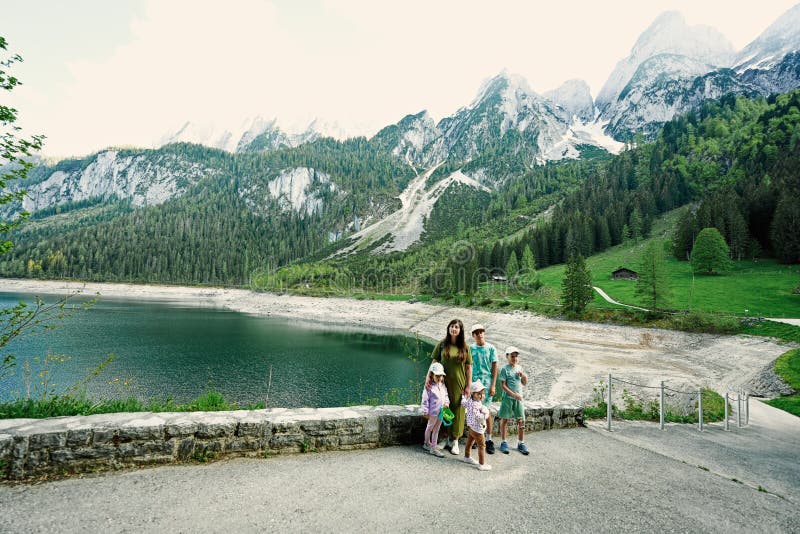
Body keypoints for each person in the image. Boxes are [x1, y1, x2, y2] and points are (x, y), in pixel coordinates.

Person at [430, 318, 472, 455]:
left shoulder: (465, 347)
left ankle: (455, 441)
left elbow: (468, 368)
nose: (454, 329)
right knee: (443, 409)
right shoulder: (442, 344)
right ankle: (444, 438)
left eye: (457, 327)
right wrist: (428, 378)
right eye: (452, 326)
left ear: (460, 331)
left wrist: (468, 386)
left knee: (458, 410)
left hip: (459, 384)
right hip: (442, 383)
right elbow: (434, 362)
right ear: (449, 328)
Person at [469, 323, 498, 454]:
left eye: (481, 332)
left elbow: (494, 367)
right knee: (474, 410)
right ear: (473, 335)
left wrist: (493, 385)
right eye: (477, 332)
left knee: (486, 412)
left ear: (484, 333)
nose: (480, 334)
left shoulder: (491, 348)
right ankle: (475, 437)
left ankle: (489, 439)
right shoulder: (471, 349)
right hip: (475, 384)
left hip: (486, 383)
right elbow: (467, 367)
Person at [498, 346, 530, 455]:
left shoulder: (519, 368)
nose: (515, 358)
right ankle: (503, 442)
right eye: (512, 356)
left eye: (516, 356)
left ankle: (521, 443)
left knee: (521, 420)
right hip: (507, 398)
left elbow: (524, 383)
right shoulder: (504, 369)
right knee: (504, 420)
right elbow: (502, 385)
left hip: (518, 399)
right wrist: (513, 394)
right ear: (507, 356)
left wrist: (524, 376)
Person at [421, 362, 450, 458]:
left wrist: (447, 402)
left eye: (441, 376)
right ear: (432, 375)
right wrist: (425, 411)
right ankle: (427, 443)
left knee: (436, 429)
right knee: (429, 427)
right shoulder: (429, 387)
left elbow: (446, 396)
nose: (439, 378)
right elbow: (425, 400)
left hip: (442, 411)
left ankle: (433, 446)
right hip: (432, 412)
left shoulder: (442, 386)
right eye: (437, 375)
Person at [461, 380, 492, 471]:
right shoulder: (475, 405)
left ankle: (467, 457)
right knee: (482, 445)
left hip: (471, 427)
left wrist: (463, 396)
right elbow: (478, 417)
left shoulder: (470, 401)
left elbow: (463, 403)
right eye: (479, 394)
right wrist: (486, 414)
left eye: (482, 393)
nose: (481, 396)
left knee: (470, 442)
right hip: (477, 429)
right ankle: (481, 464)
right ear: (473, 393)